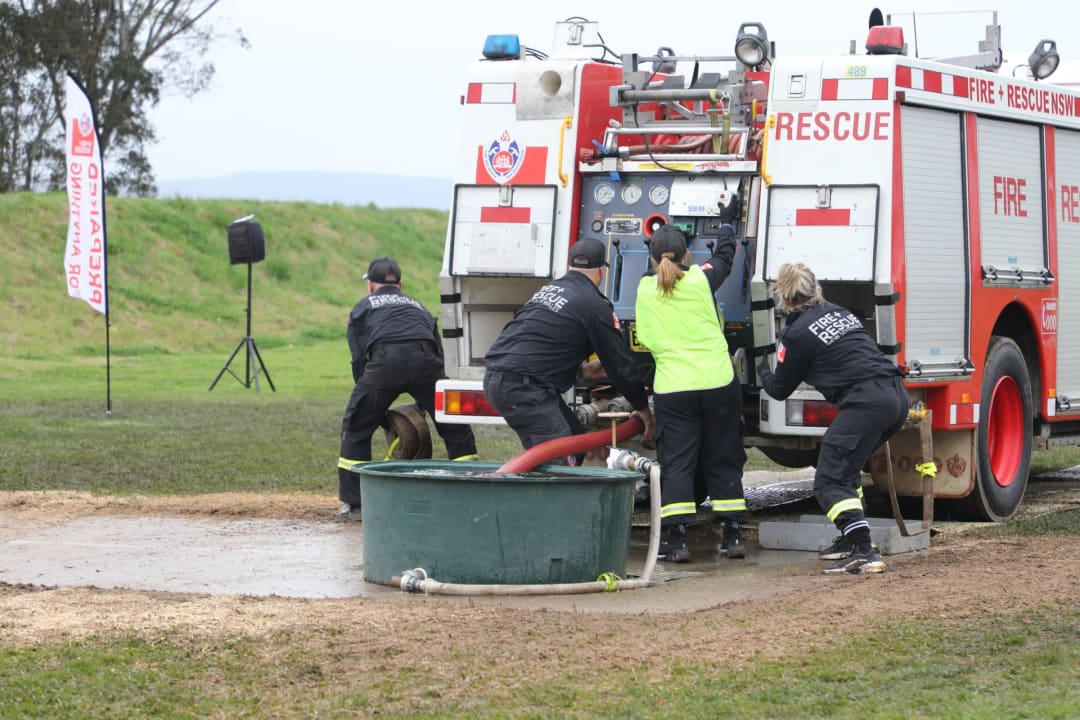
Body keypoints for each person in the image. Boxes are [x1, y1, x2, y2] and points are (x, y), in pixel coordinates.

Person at [757, 262, 909, 574]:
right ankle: (849, 538)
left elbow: (780, 389)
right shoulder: (841, 313)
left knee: (829, 479)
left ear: (784, 300)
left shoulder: (795, 334)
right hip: (895, 397)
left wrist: (760, 366)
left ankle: (863, 549)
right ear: (817, 289)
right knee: (846, 467)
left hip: (865, 403)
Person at [634, 197, 748, 564]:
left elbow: (646, 339)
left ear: (652, 259)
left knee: (678, 463)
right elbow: (726, 257)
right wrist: (727, 222)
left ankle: (676, 541)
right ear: (687, 256)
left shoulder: (644, 289)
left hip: (674, 388)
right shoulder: (701, 279)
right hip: (718, 383)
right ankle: (733, 536)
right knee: (723, 457)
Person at [483, 237, 655, 464]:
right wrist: (643, 407)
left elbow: (539, 344)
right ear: (601, 272)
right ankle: (554, 495)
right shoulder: (594, 305)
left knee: (574, 440)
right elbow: (620, 366)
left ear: (570, 266)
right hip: (525, 388)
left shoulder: (549, 290)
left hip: (498, 377)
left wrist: (581, 372)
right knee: (560, 459)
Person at [337, 257, 478, 516]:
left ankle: (356, 503)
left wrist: (370, 405)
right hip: (426, 359)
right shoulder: (418, 306)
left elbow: (358, 358)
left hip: (384, 361)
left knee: (356, 426)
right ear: (400, 285)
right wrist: (429, 400)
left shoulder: (362, 307)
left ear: (371, 286)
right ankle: (471, 486)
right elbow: (437, 349)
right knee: (452, 423)